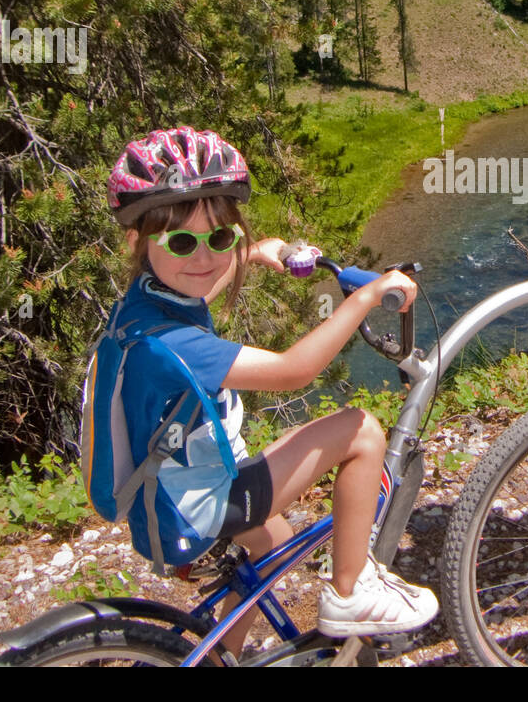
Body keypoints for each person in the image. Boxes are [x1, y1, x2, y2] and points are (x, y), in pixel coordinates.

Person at [103, 126, 437, 653]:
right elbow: (292, 370)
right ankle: (352, 593)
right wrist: (368, 296)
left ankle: (218, 658)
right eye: (183, 240)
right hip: (200, 503)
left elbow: (201, 281)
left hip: (165, 495)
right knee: (362, 431)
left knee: (275, 543)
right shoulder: (173, 342)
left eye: (220, 237)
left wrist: (255, 253)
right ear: (138, 242)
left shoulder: (145, 306)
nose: (204, 256)